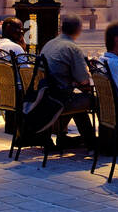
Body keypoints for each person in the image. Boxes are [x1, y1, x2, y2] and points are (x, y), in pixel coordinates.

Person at [34, 15, 97, 147]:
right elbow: (84, 80)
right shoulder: (72, 48)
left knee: (77, 100)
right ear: (79, 30)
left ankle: (78, 138)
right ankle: (93, 141)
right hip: (60, 97)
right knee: (93, 101)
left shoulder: (49, 44)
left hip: (47, 95)